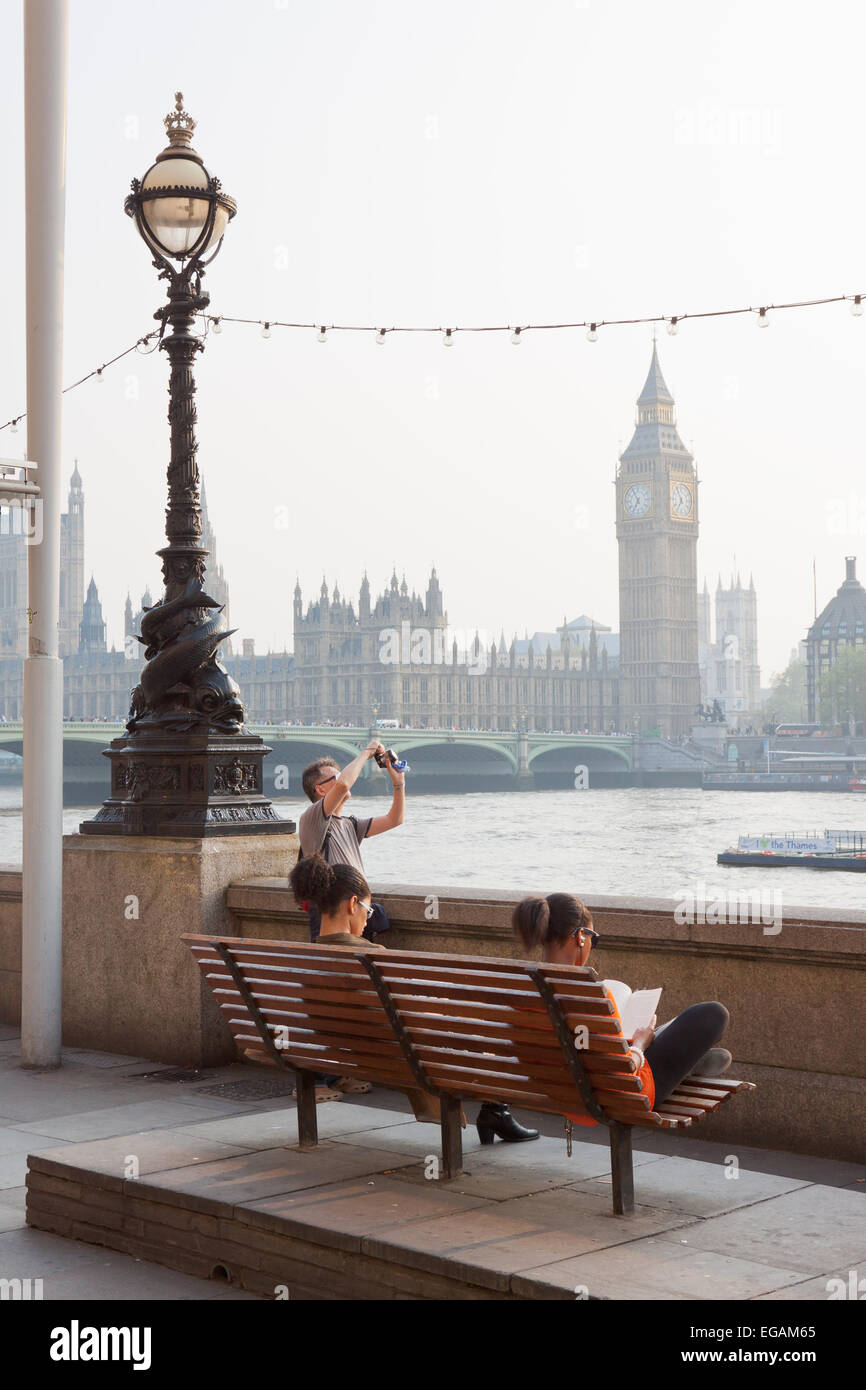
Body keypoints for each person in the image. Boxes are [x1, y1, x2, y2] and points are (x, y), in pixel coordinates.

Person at [512, 893, 731, 1118]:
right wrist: (640, 1046)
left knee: (652, 1033)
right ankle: (687, 1066)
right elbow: (617, 1072)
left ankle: (684, 1061)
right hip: (617, 1097)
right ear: (580, 937)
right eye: (593, 939)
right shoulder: (589, 999)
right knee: (712, 1014)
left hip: (557, 1092)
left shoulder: (520, 991)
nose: (591, 946)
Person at [298, 739, 404, 942]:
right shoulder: (312, 819)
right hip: (331, 911)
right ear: (320, 790)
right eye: (336, 777)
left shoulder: (350, 824)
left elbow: (395, 819)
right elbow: (344, 783)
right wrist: (367, 752)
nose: (342, 779)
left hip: (357, 910)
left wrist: (399, 784)